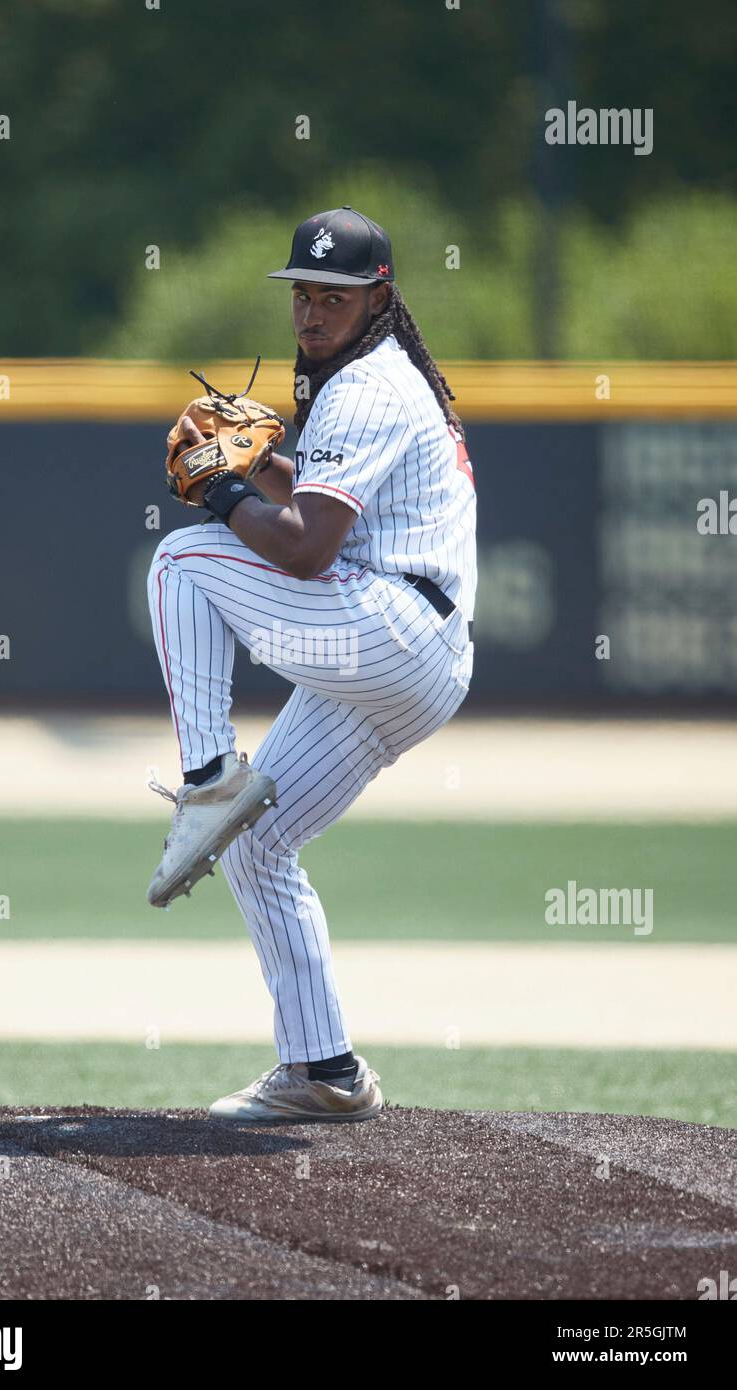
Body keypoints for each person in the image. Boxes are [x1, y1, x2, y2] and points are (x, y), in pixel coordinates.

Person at [145, 206, 477, 1124]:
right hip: (416, 661)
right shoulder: (375, 378)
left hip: (387, 628)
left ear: (379, 298)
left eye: (334, 296)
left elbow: (305, 553)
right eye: (302, 294)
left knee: (181, 559)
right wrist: (264, 468)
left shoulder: (366, 384)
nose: (312, 313)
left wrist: (221, 489)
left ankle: (209, 772)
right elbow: (327, 509)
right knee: (257, 841)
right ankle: (323, 1070)